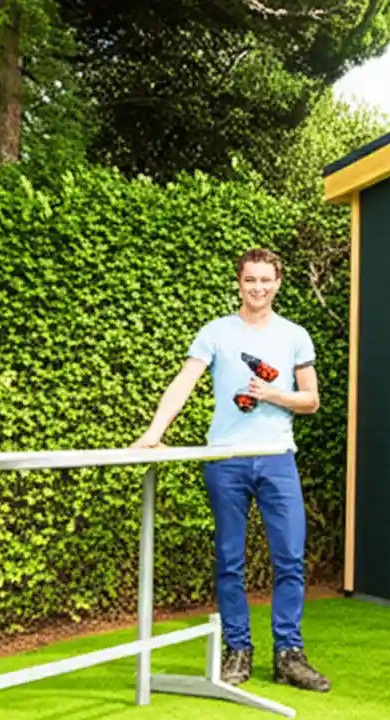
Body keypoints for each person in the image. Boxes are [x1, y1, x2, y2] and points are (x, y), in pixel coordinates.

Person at [132, 248, 330, 692]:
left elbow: (311, 400)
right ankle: (238, 651)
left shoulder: (295, 335)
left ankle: (289, 655)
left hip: (277, 457)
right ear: (238, 283)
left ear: (278, 283)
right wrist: (153, 431)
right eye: (250, 280)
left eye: (266, 280)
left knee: (291, 559)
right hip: (225, 460)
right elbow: (184, 382)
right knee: (229, 560)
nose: (258, 287)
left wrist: (272, 394)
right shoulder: (215, 333)